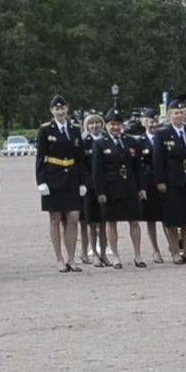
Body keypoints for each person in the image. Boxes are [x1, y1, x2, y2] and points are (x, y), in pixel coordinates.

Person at [153, 97, 186, 264]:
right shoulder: (162, 134)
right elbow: (158, 159)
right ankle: (175, 251)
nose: (179, 116)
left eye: (182, 113)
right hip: (172, 181)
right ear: (170, 115)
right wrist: (160, 180)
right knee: (173, 220)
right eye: (176, 113)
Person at [36, 95, 86, 272]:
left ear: (67, 109)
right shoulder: (45, 130)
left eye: (63, 108)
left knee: (73, 218)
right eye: (57, 109)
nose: (60, 111)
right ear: (52, 111)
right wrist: (41, 181)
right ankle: (59, 258)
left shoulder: (74, 129)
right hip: (53, 177)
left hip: (71, 177)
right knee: (55, 219)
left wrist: (82, 181)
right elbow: (40, 157)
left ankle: (71, 258)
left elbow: (80, 157)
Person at [92, 109, 146, 268]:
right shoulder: (100, 143)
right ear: (106, 125)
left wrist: (141, 188)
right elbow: (97, 171)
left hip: (130, 186)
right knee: (111, 222)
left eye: (118, 124)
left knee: (134, 221)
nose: (115, 127)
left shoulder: (131, 141)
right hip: (111, 188)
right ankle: (115, 256)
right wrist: (100, 192)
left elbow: (138, 167)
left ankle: (138, 255)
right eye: (112, 124)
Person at [137, 109, 166, 263]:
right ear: (144, 123)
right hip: (148, 182)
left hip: (164, 181)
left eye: (155, 121)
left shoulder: (164, 138)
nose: (154, 124)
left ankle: (174, 247)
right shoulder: (139, 141)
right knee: (151, 219)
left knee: (168, 217)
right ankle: (155, 249)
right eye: (150, 122)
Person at [79, 112, 108, 265]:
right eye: (91, 123)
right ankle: (94, 253)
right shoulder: (84, 143)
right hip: (90, 187)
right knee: (90, 222)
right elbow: (82, 166)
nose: (94, 126)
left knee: (104, 222)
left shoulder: (107, 141)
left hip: (106, 186)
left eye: (97, 123)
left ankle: (103, 253)